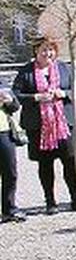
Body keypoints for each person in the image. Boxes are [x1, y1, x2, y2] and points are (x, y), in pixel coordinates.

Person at [12, 35, 76, 214]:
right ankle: (50, 201)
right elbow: (16, 94)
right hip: (39, 126)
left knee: (70, 162)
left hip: (64, 124)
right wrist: (36, 97)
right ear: (36, 51)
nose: (47, 53)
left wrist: (63, 93)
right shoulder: (26, 71)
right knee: (45, 164)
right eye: (43, 50)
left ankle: (75, 199)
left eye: (50, 49)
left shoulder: (64, 68)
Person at [0, 89, 24, 223]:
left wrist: (9, 101)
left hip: (4, 133)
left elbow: (15, 106)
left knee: (10, 172)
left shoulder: (1, 84)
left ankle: (9, 209)